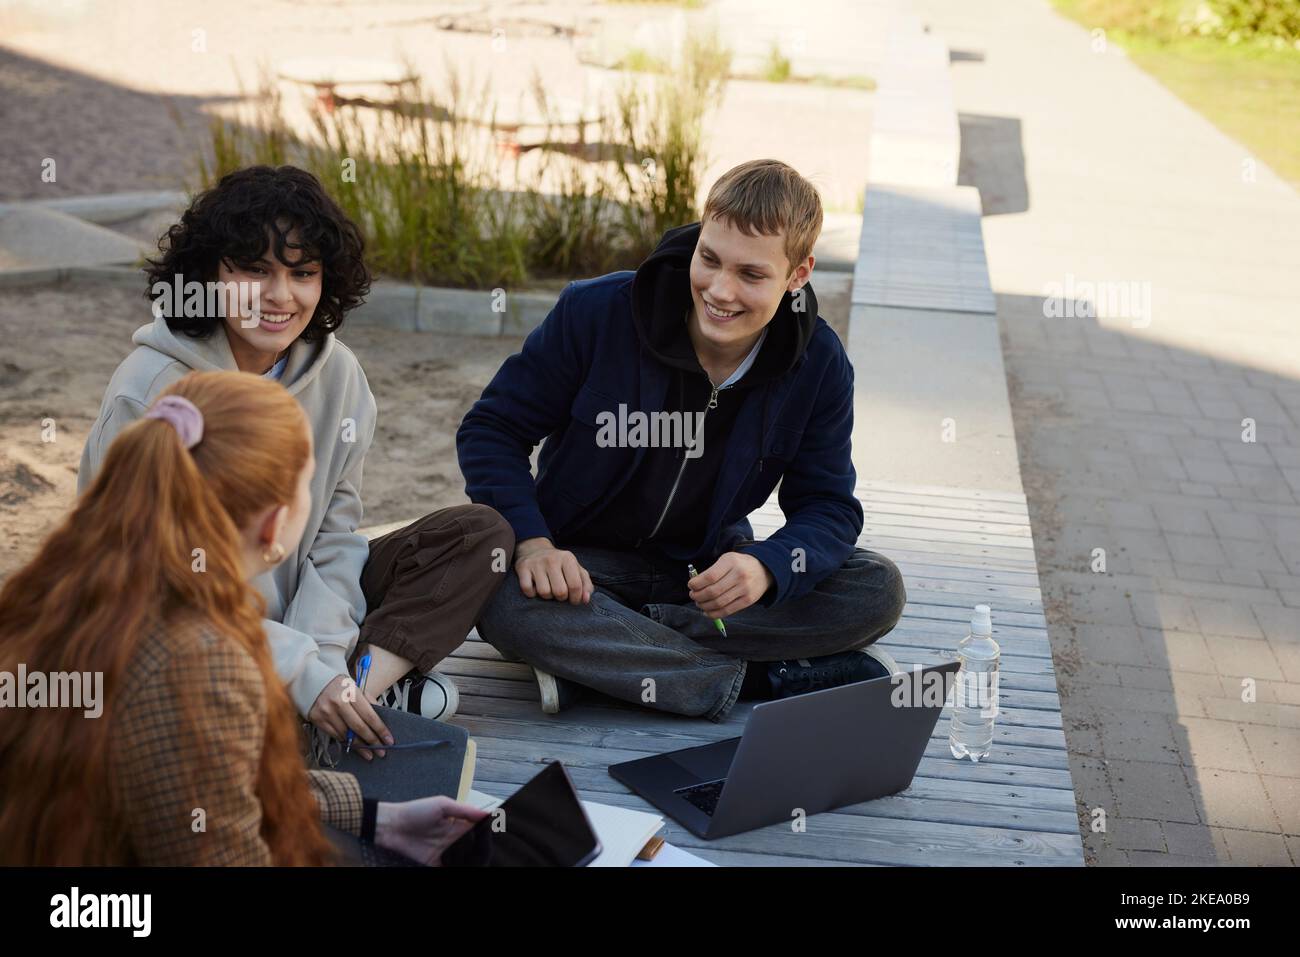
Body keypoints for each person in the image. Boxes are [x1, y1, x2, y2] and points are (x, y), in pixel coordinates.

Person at [458, 159, 908, 720]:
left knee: (876, 588)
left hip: (701, 574)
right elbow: (492, 430)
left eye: (751, 274)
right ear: (697, 238)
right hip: (580, 566)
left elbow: (828, 507)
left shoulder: (818, 363)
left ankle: (609, 660)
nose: (720, 291)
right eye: (710, 259)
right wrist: (533, 543)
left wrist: (767, 566)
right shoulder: (596, 312)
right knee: (500, 596)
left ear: (799, 274)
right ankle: (753, 682)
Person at [79, 165, 514, 738]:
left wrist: (323, 663)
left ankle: (355, 696)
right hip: (182, 627)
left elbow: (335, 537)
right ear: (210, 273)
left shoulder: (341, 376)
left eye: (302, 273)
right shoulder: (152, 389)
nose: (279, 296)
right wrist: (301, 673)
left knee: (478, 537)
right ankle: (333, 710)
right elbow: (153, 582)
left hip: (301, 628)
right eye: (254, 270)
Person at [0, 372, 487, 865]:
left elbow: (208, 785)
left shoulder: (56, 592)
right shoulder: (203, 658)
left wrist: (376, 818)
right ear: (277, 524)